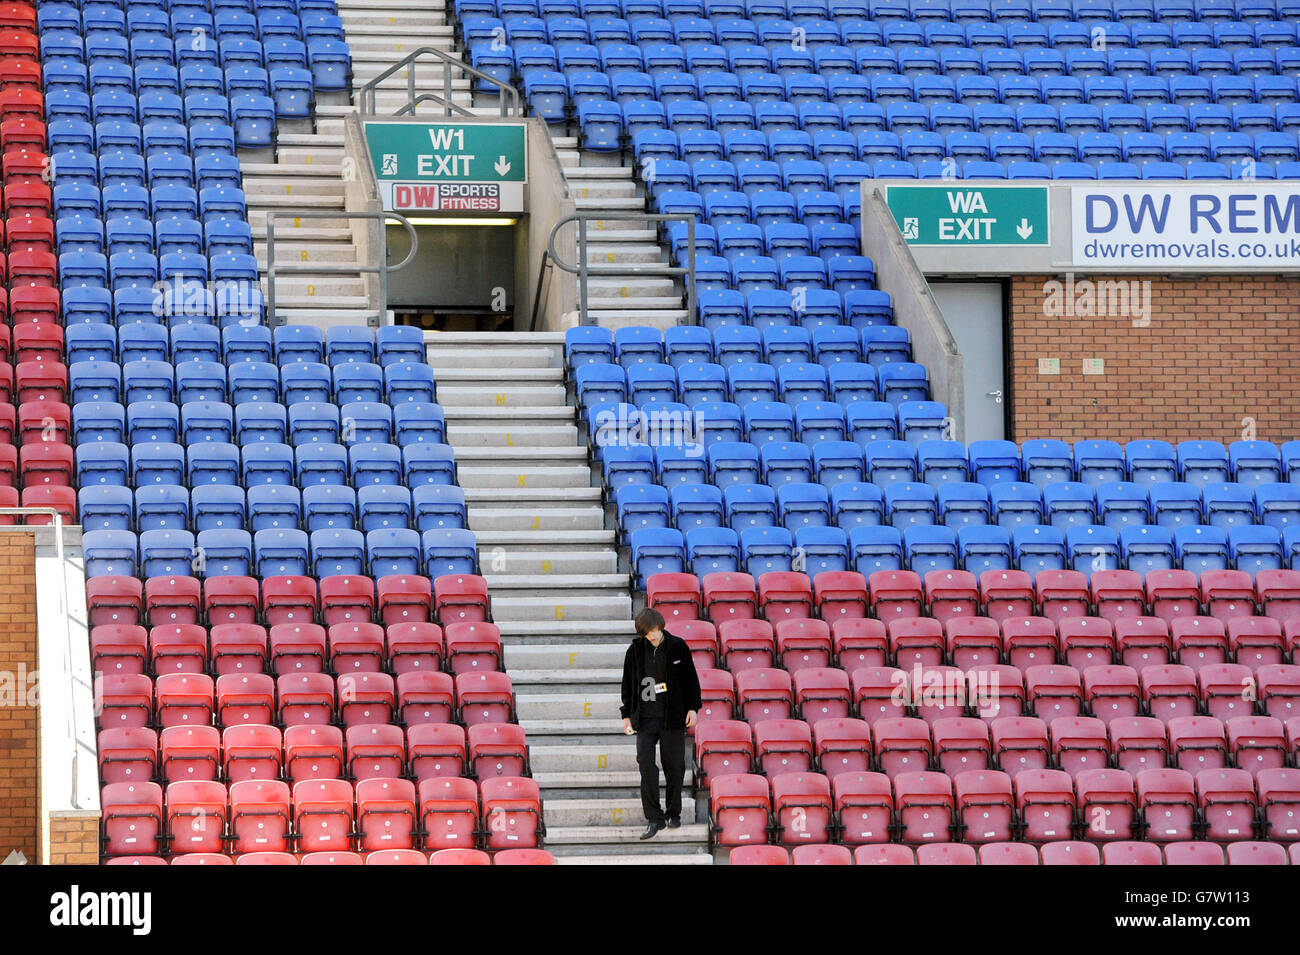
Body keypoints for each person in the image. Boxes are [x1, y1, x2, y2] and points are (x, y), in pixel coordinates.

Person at [619, 607, 702, 840]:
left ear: (661, 626)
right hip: (644, 718)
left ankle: (673, 812)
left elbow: (691, 681)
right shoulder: (634, 651)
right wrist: (626, 715)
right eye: (647, 634)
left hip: (673, 716)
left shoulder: (678, 646)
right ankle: (654, 818)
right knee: (646, 765)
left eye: (654, 631)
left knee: (674, 765)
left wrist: (693, 708)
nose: (652, 636)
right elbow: (627, 684)